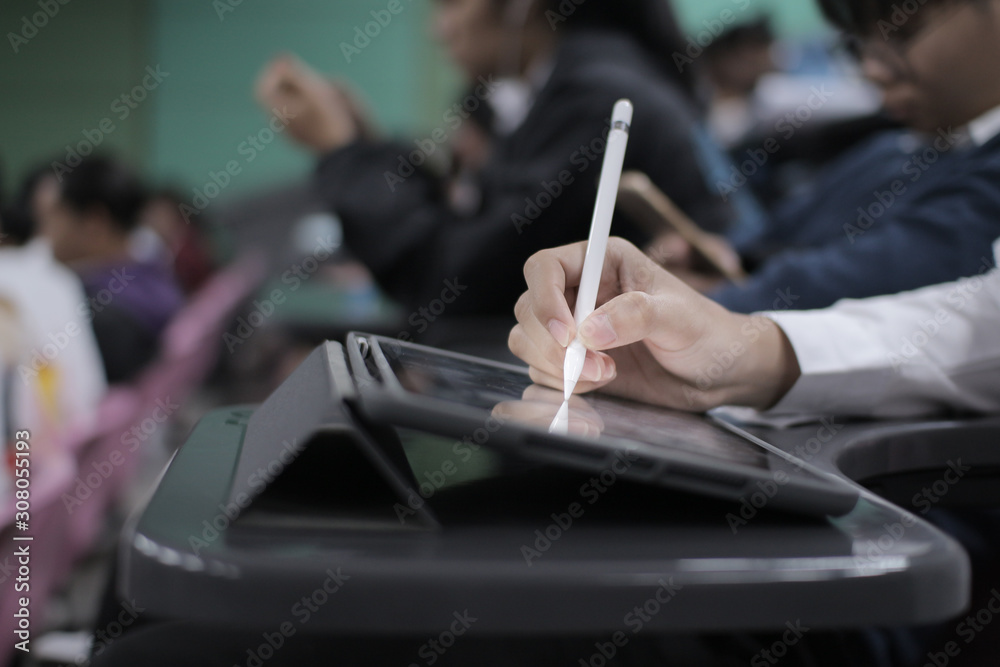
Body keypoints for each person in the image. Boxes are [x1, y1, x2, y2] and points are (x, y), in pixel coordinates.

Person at [255, 0, 741, 324]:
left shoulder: (594, 99)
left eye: (451, 4)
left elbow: (455, 283)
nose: (437, 30)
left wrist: (343, 152)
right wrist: (362, 145)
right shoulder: (574, 83)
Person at [665, 0, 1000, 314]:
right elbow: (774, 233)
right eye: (858, 44)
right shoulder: (889, 149)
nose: (872, 69)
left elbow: (852, 279)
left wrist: (697, 306)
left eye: (902, 34)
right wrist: (714, 253)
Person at [37, 157, 184, 384]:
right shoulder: (156, 275)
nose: (44, 232)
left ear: (94, 222)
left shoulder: (97, 316)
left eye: (54, 214)